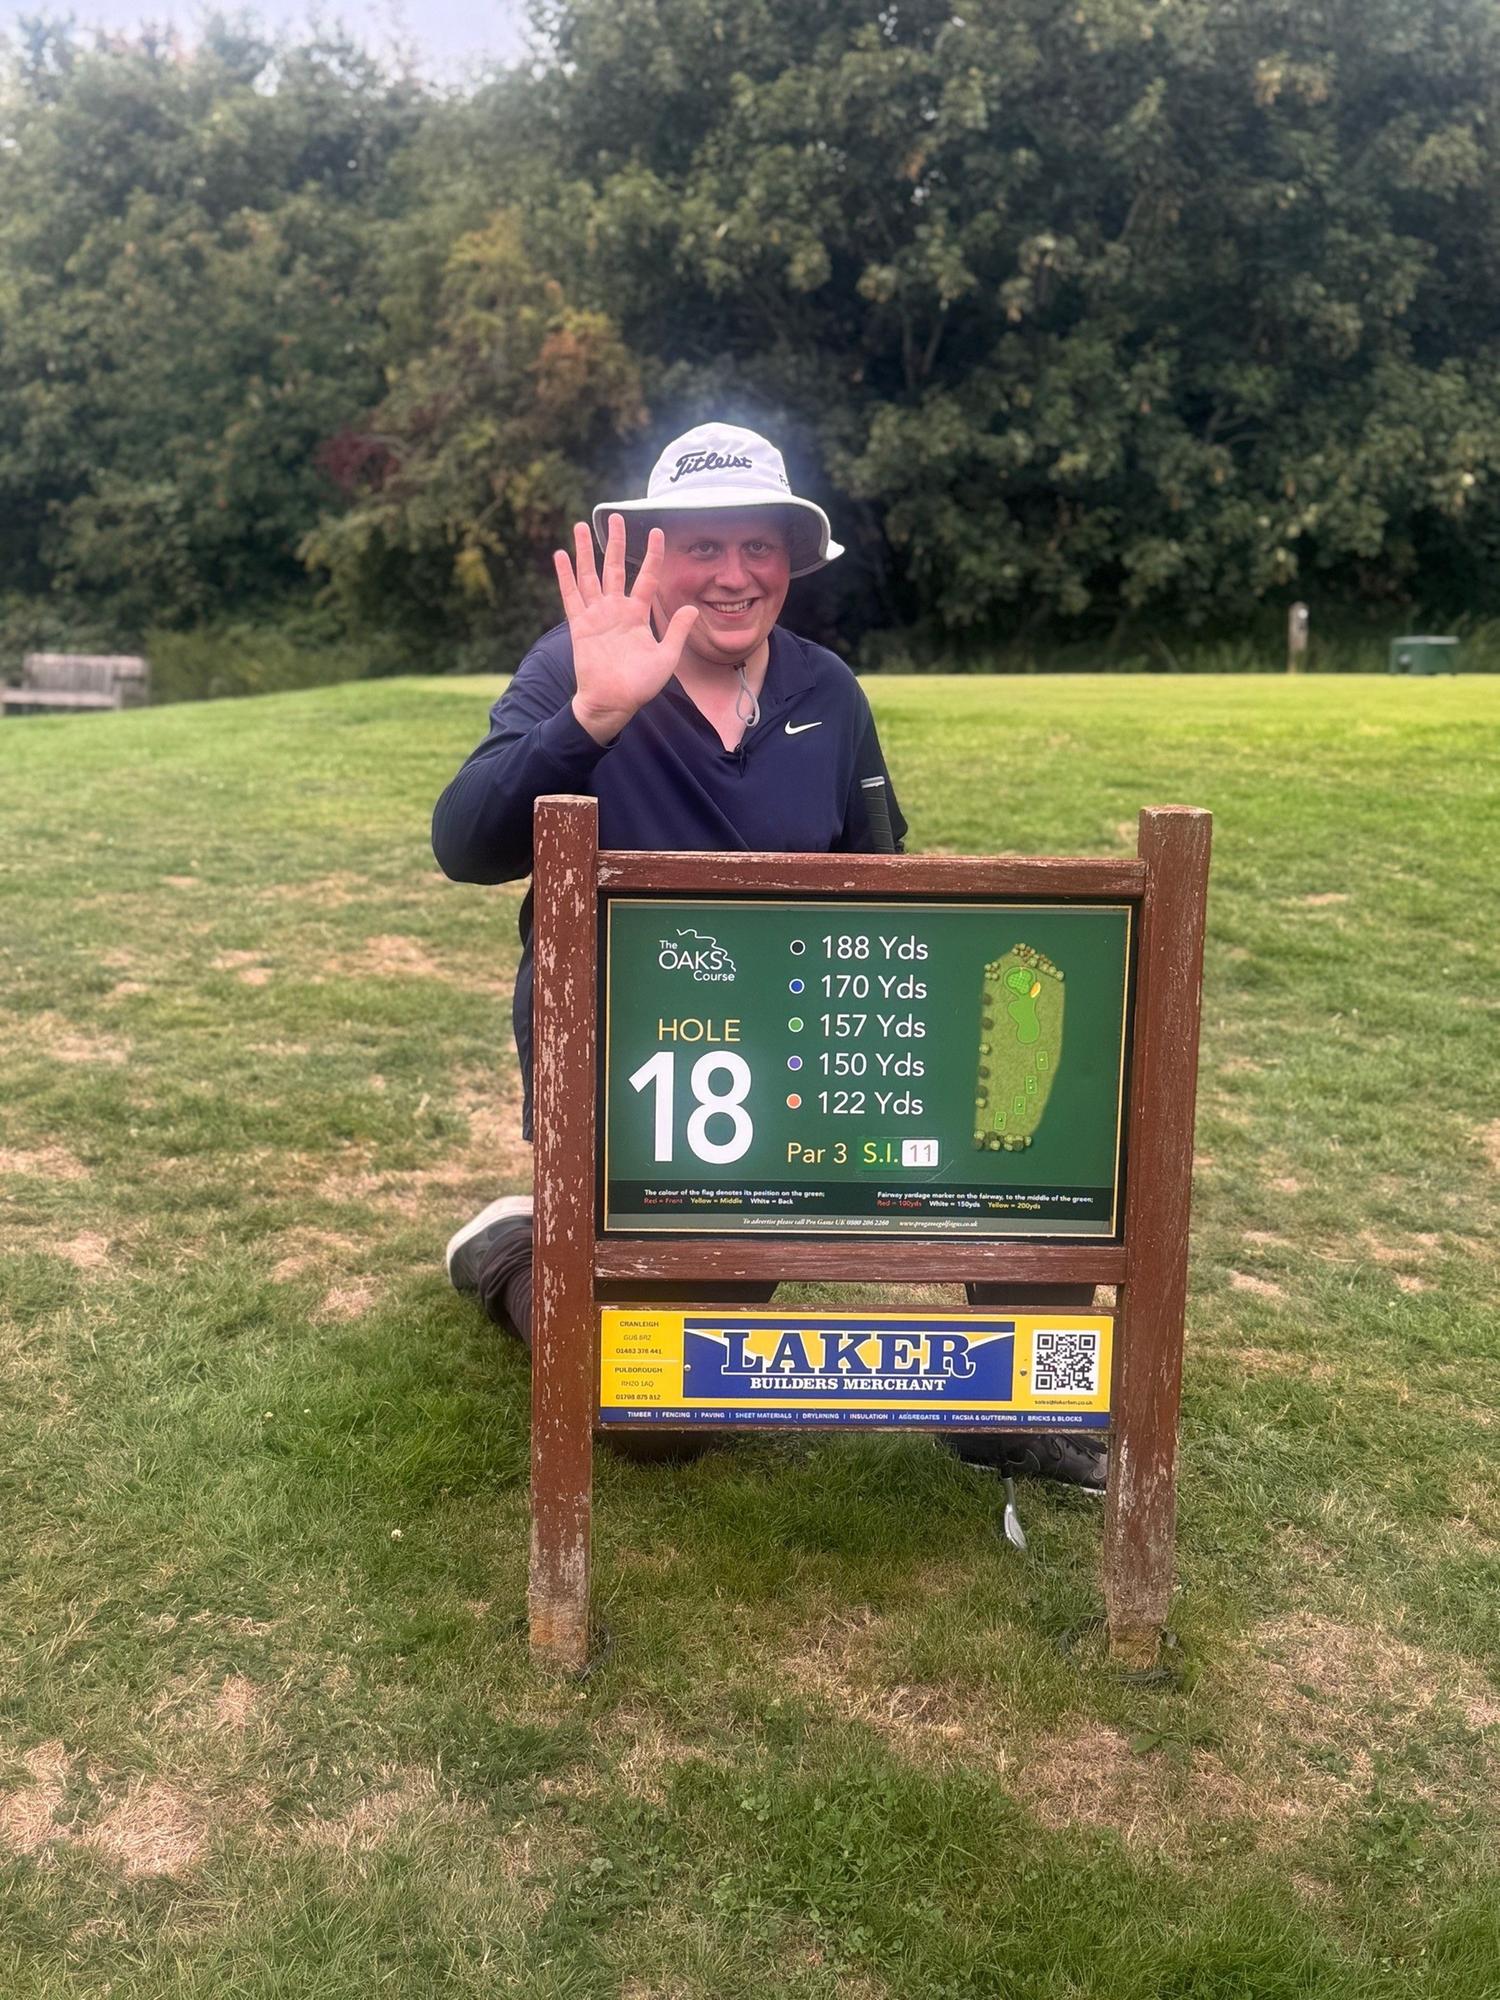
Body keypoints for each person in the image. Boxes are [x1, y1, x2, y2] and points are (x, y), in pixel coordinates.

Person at [432, 421, 1105, 1491]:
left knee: (1032, 1116)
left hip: (793, 1061)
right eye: (705, 546)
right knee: (651, 1413)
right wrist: (593, 715)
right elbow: (464, 843)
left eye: (760, 546)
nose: (735, 575)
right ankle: (515, 1248)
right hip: (625, 1071)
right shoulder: (578, 666)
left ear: (791, 560)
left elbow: (887, 890)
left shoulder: (826, 690)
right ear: (657, 553)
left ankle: (1011, 1403)